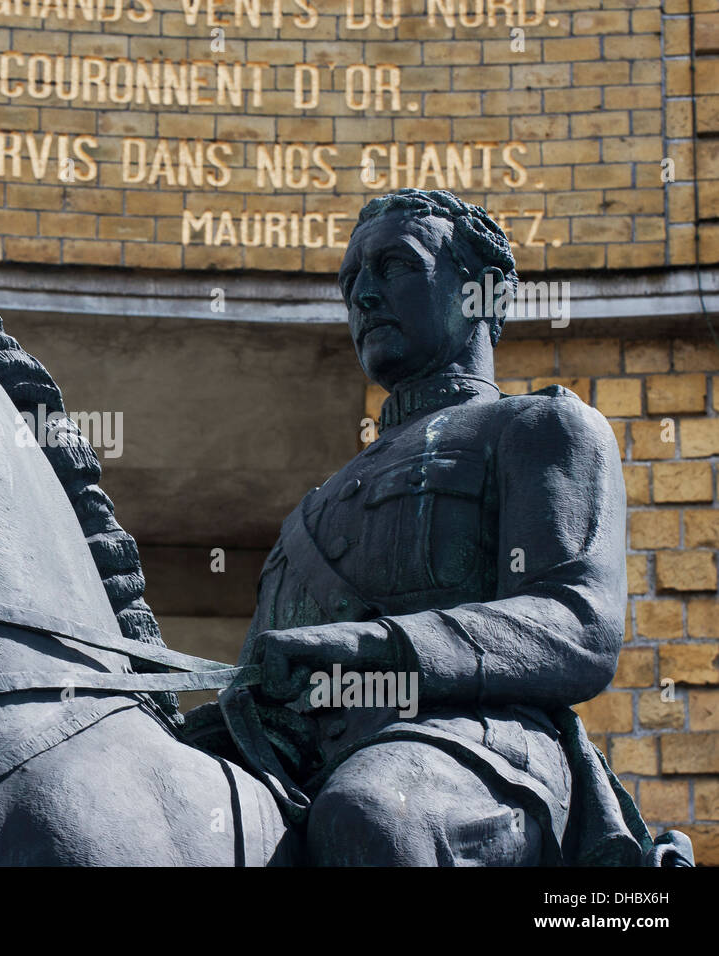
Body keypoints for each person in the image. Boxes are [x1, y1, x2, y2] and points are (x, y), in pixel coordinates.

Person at [222, 188, 691, 865]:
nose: (364, 296)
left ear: (487, 293)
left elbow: (578, 627)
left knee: (374, 815)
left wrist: (371, 650)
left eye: (396, 268)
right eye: (351, 281)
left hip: (483, 754)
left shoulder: (541, 427)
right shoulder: (312, 511)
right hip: (303, 764)